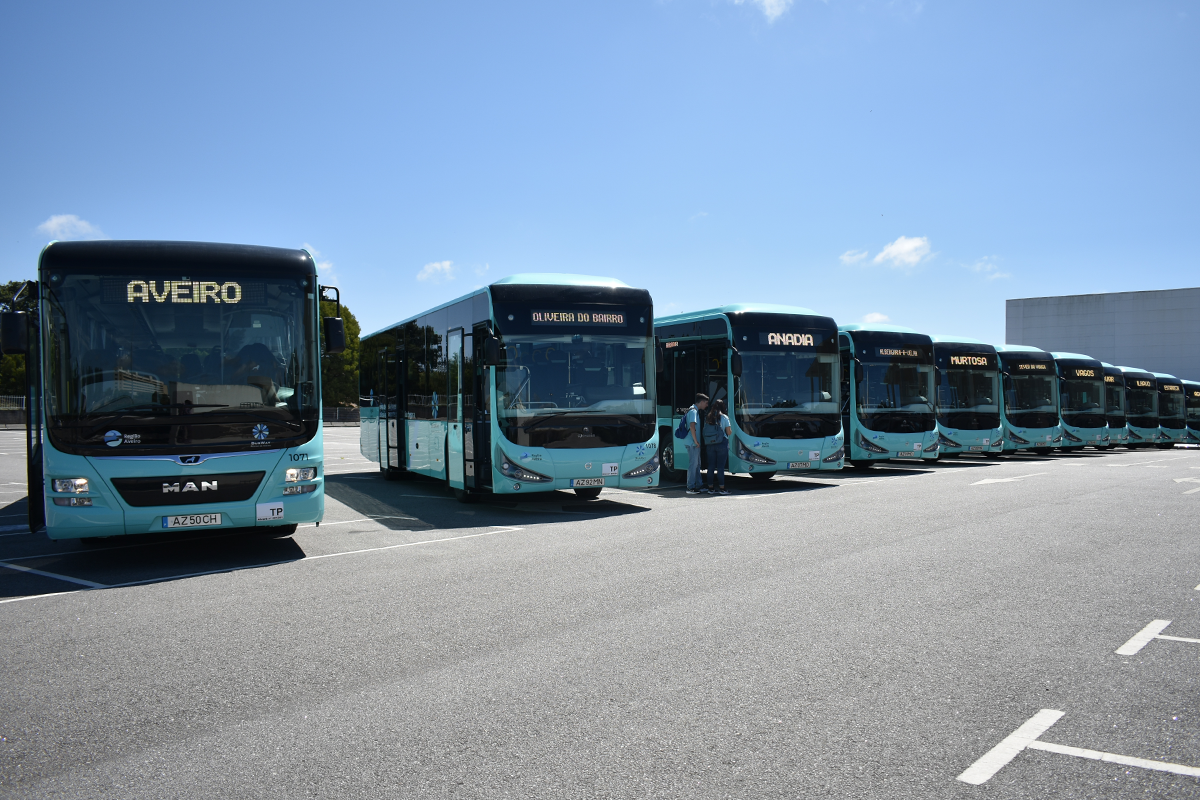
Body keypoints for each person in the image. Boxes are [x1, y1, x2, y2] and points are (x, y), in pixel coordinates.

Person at [703, 399, 732, 494]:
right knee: (720, 467)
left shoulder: (708, 417)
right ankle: (722, 488)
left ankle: (710, 488)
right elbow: (728, 432)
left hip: (710, 444)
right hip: (721, 443)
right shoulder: (724, 417)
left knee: (711, 466)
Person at [684, 393, 709, 495]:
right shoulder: (693, 411)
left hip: (693, 442)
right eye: (706, 403)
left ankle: (699, 485)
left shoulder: (693, 410)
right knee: (693, 464)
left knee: (697, 464)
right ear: (701, 402)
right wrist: (695, 441)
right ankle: (690, 487)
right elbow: (692, 426)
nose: (706, 405)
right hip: (692, 443)